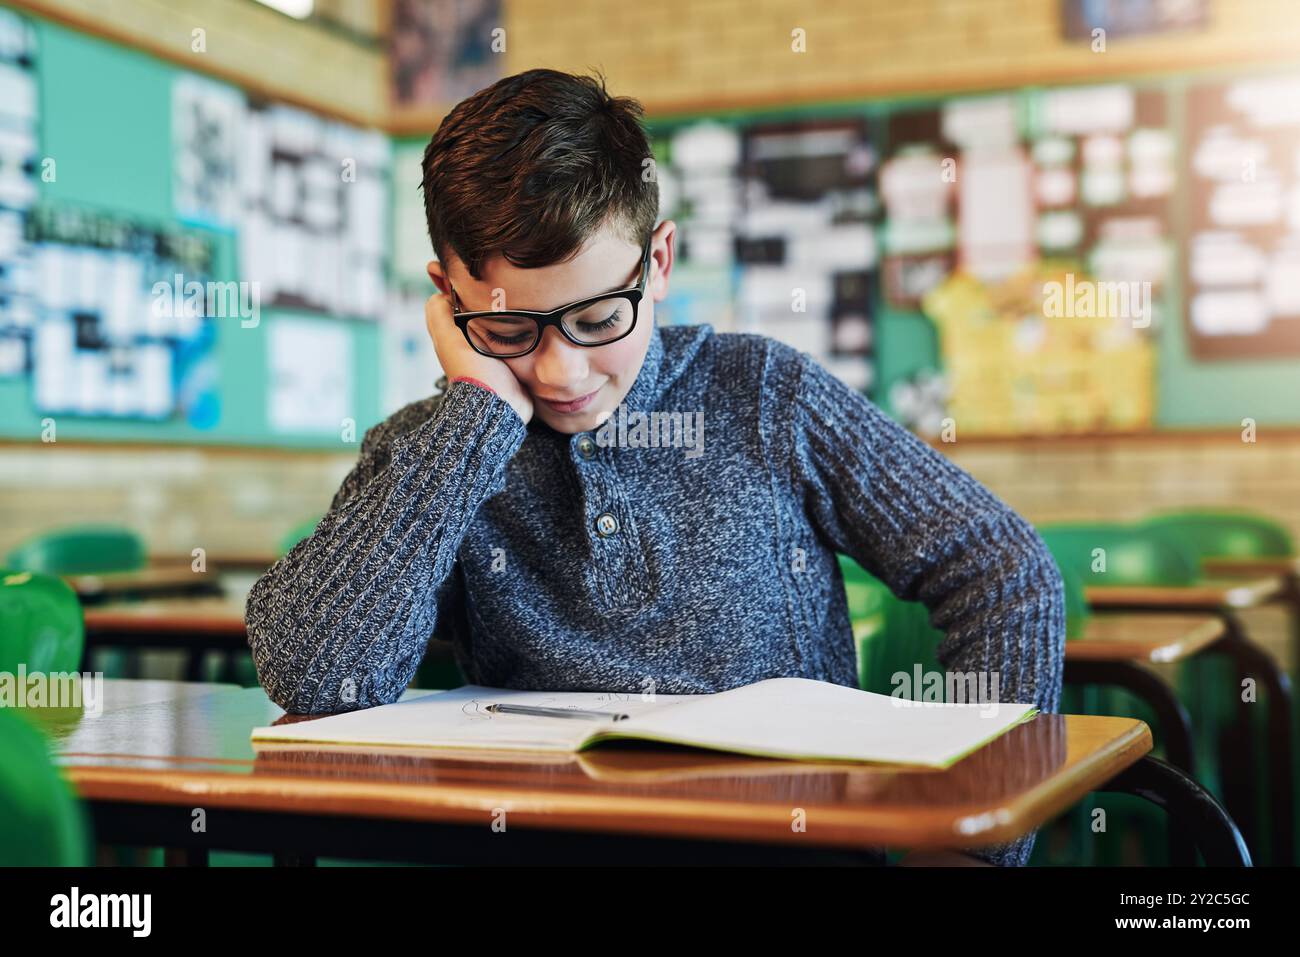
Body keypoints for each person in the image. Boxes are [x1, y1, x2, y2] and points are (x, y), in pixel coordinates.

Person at [245, 68, 1065, 866]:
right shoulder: (432, 447)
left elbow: (1003, 570)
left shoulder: (765, 396)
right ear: (446, 298)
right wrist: (476, 417)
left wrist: (972, 846)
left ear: (659, 262)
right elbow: (320, 675)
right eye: (507, 331)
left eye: (601, 317)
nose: (563, 372)